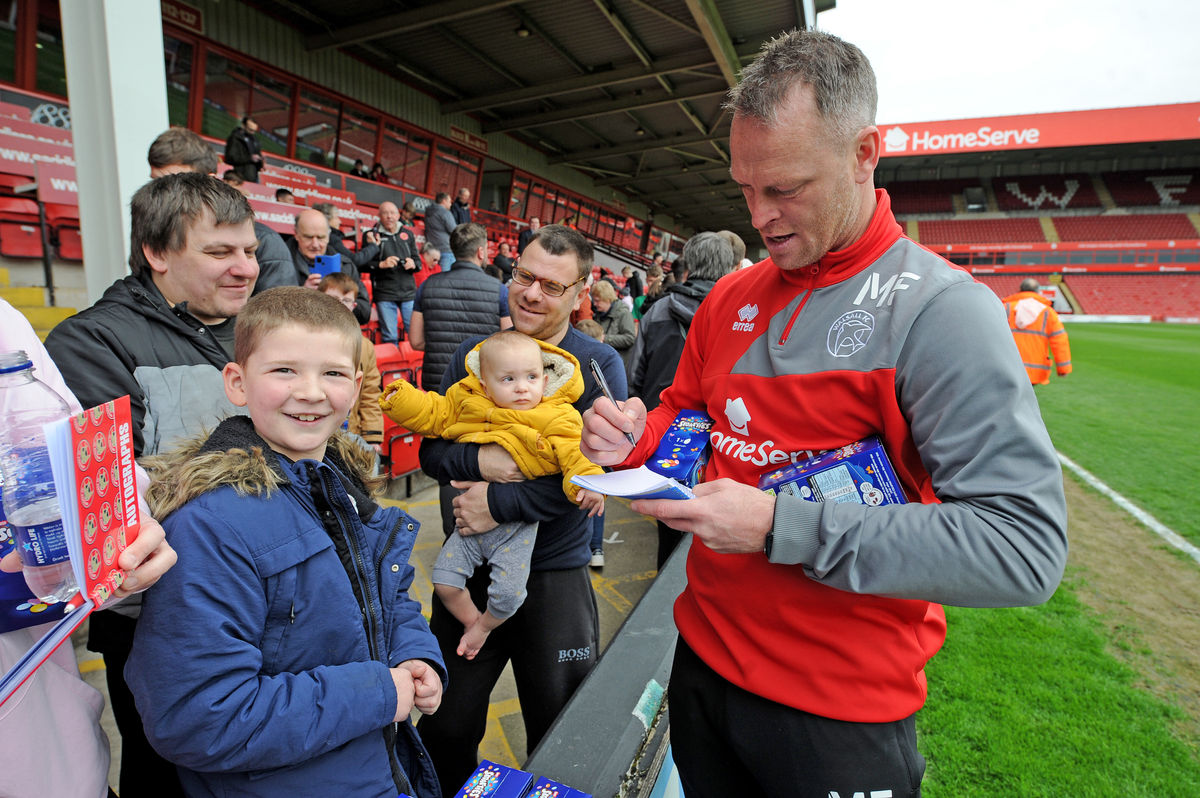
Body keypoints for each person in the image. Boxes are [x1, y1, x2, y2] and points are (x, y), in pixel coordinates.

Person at [580, 29, 1068, 798]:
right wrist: (629, 439)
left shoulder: (942, 313)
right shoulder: (732, 299)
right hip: (701, 663)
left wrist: (778, 525)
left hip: (835, 713)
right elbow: (686, 424)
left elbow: (1023, 546)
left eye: (785, 189)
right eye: (745, 189)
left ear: (865, 154)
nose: (760, 216)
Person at [125, 287, 444, 798]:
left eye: (333, 373)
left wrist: (415, 656)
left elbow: (387, 596)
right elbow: (197, 718)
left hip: (373, 769)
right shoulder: (209, 525)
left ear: (357, 384)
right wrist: (378, 692)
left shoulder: (343, 485)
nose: (312, 392)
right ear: (237, 382)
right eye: (284, 370)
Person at [44, 172, 257, 797]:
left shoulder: (261, 325)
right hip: (159, 622)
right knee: (167, 776)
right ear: (157, 253)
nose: (244, 267)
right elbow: (120, 492)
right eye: (219, 252)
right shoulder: (90, 342)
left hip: (268, 604)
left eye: (248, 249)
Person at [415, 225, 626, 796]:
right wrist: (489, 463)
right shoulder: (473, 355)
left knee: (559, 732)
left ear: (580, 291)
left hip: (554, 576)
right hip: (469, 576)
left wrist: (500, 503)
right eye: (524, 276)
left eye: (551, 286)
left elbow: (593, 478)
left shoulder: (598, 362)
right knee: (446, 726)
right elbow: (429, 449)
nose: (531, 294)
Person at [0, 298, 177, 798]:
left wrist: (126, 536)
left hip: (44, 765)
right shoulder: (98, 337)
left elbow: (64, 476)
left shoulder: (4, 326)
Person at [380, 330, 604, 660]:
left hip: (517, 529)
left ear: (545, 380)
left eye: (531, 377)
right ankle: (476, 625)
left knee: (508, 594)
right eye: (508, 379)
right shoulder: (468, 401)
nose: (522, 387)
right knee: (443, 582)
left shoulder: (556, 415)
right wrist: (401, 399)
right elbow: (434, 412)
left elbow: (576, 455)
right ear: (485, 385)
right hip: (468, 526)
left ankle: (485, 627)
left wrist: (588, 485)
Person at [628, 232, 736, 568]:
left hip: (664, 436)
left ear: (688, 265)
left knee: (669, 525)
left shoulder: (659, 310)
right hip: (723, 440)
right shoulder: (740, 312)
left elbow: (635, 374)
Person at [146, 126, 293, 294]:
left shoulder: (266, 242)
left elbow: (276, 317)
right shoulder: (152, 233)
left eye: (178, 183)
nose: (162, 193)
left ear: (210, 180)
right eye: (155, 183)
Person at [409, 223, 511, 392]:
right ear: (480, 252)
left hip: (438, 385)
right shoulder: (499, 290)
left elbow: (416, 341)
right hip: (480, 387)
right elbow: (508, 341)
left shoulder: (427, 285)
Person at [319, 272, 383, 451]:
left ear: (353, 306)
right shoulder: (306, 339)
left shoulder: (365, 346)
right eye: (332, 298)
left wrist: (372, 436)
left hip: (350, 432)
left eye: (345, 301)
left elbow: (370, 392)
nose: (339, 305)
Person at [287, 207, 372, 324]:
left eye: (321, 237)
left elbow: (365, 313)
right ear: (296, 235)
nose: (315, 244)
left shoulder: (345, 265)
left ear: (328, 236)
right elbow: (271, 313)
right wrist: (302, 295)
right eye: (308, 237)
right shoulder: (281, 263)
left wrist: (343, 302)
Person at [572, 318, 609, 568]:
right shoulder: (605, 363)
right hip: (594, 447)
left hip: (573, 444)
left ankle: (587, 546)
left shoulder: (570, 367)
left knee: (580, 496)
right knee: (597, 497)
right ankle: (596, 547)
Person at [367, 200, 422, 342]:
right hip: (385, 293)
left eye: (392, 213)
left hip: (408, 293)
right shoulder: (372, 235)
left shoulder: (408, 234)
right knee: (390, 336)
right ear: (379, 216)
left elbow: (418, 261)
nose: (389, 216)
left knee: (415, 335)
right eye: (385, 213)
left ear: (398, 215)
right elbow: (363, 264)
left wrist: (413, 264)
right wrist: (381, 264)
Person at [1003, 277, 1072, 385]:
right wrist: (1063, 368)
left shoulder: (1006, 308)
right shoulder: (1048, 312)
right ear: (1037, 291)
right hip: (1035, 370)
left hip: (1007, 367)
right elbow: (1059, 340)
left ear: (1020, 289)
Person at [312, 201, 378, 270]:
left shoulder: (331, 237)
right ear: (327, 219)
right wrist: (373, 246)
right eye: (336, 217)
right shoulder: (332, 238)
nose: (340, 221)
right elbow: (355, 260)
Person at [589, 280, 635, 372]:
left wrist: (604, 338)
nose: (595, 304)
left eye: (597, 301)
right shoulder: (599, 313)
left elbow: (630, 338)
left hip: (616, 365)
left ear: (607, 299)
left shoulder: (623, 313)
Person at [423, 193, 458, 271]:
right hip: (446, 249)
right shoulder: (445, 213)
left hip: (432, 249)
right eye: (449, 201)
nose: (451, 204)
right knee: (445, 277)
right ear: (444, 201)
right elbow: (454, 230)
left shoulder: (428, 212)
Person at [224, 116, 264, 182]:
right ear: (243, 126)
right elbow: (231, 157)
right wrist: (250, 158)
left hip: (253, 177)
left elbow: (257, 157)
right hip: (239, 177)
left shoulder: (255, 140)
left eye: (254, 131)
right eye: (250, 129)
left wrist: (261, 161)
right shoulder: (235, 138)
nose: (252, 133)